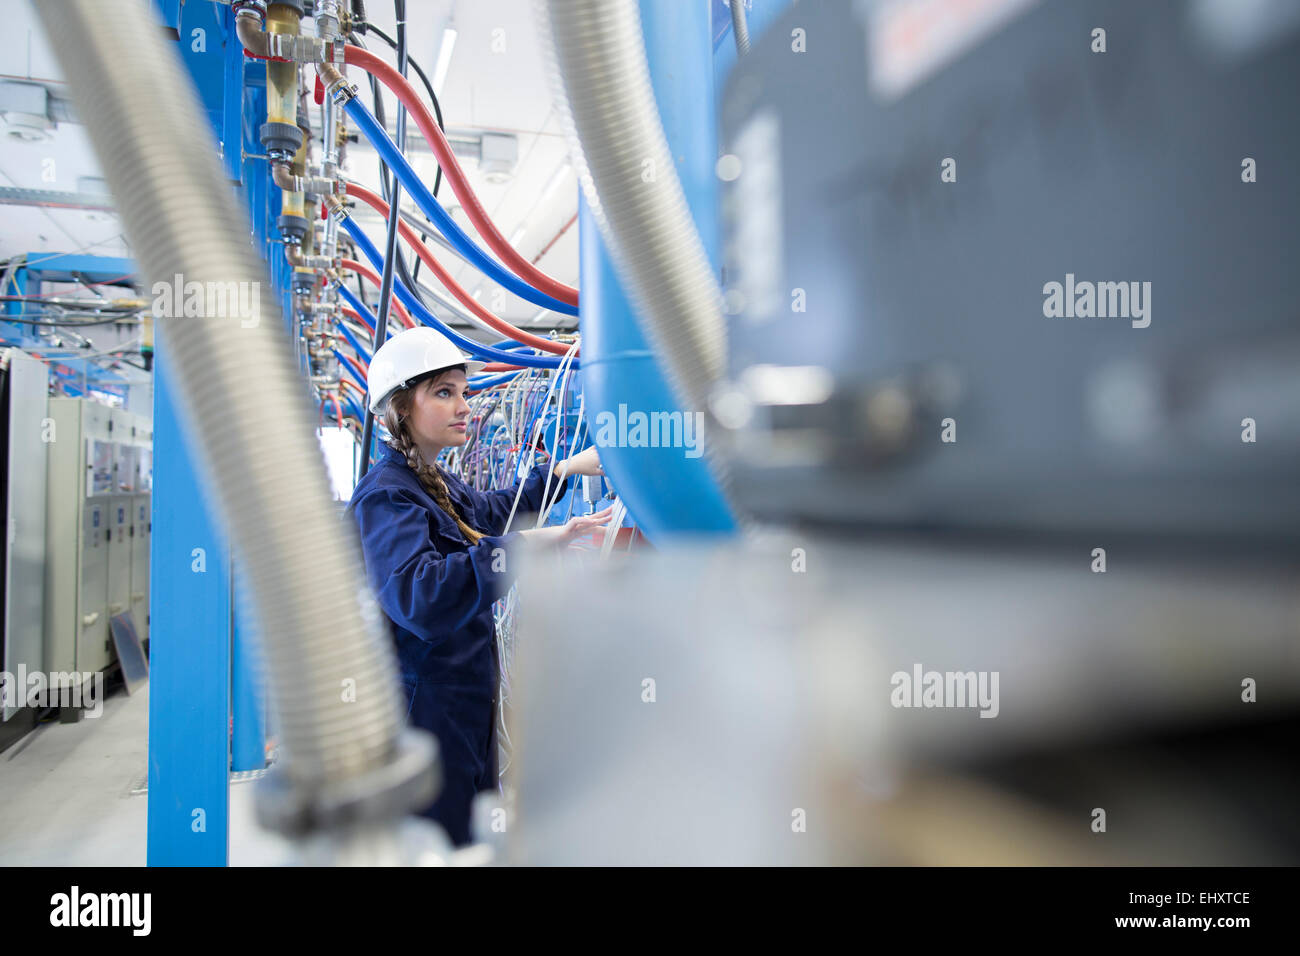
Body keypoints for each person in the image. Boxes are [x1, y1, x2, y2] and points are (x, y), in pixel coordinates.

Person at [346, 327, 609, 846]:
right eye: (444, 392)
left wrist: (561, 471)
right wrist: (523, 549)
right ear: (400, 408)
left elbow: (494, 513)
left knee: (467, 835)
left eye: (463, 392)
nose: (464, 405)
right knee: (435, 843)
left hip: (465, 703)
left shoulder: (434, 483)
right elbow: (420, 597)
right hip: (424, 715)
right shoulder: (387, 498)